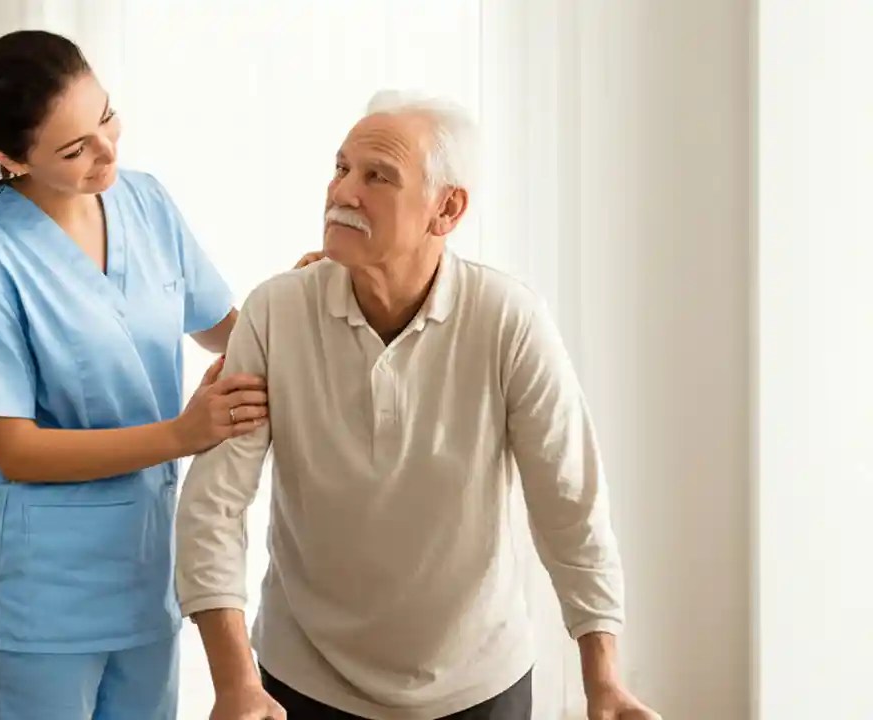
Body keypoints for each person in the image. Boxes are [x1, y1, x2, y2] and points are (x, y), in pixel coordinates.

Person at [175, 91, 663, 720]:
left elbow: (570, 504)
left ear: (447, 208)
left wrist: (603, 681)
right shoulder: (274, 312)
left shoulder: (508, 320)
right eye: (340, 167)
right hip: (301, 681)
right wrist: (235, 682)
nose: (343, 192)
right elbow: (214, 506)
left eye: (377, 176)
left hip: (477, 684)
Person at [0, 30, 316, 720]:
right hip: (47, 592)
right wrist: (181, 433)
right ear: (11, 159)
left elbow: (226, 330)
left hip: (146, 573)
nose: (107, 151)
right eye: (74, 149)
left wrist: (302, 301)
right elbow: (15, 448)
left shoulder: (146, 202)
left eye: (105, 116)